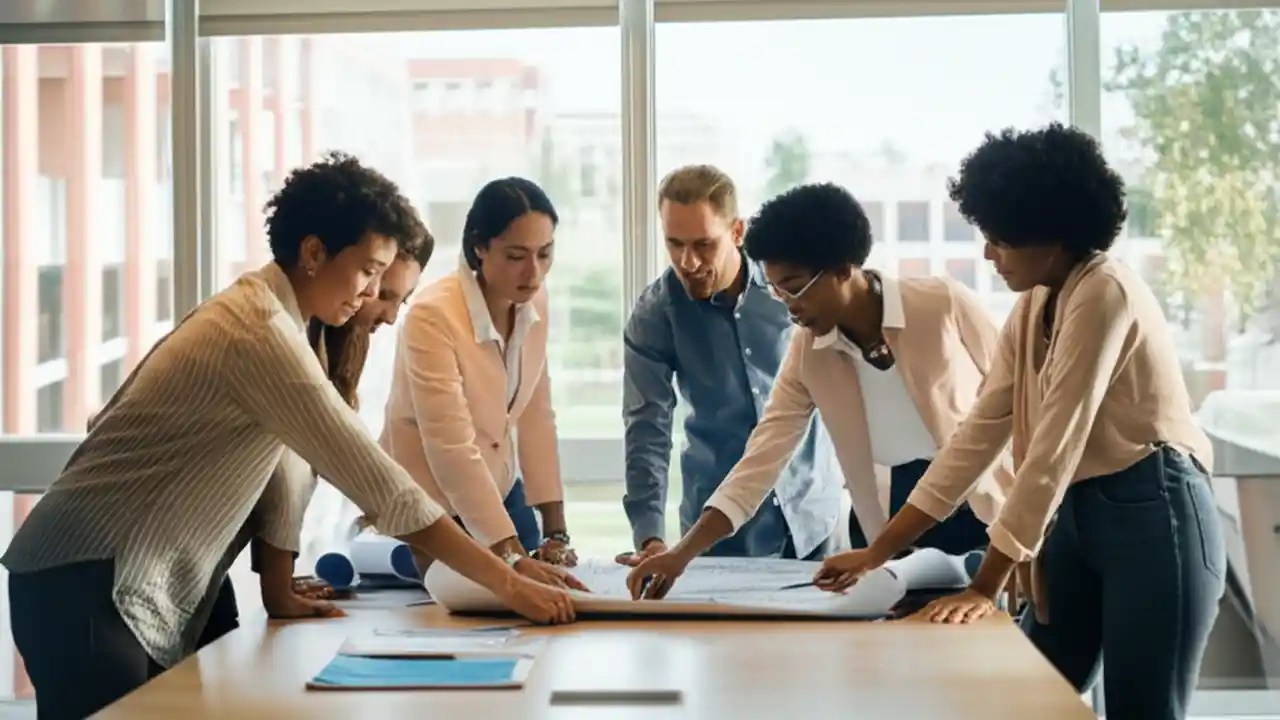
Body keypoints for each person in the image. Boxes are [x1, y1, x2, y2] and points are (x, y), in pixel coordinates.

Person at [1, 152, 576, 720]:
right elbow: (375, 481)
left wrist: (277, 587)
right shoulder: (259, 330)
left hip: (132, 578)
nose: (373, 296)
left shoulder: (290, 323)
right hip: (86, 575)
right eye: (371, 272)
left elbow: (283, 469)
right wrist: (510, 581)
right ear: (313, 253)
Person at [814, 124, 1225, 720]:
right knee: (1030, 697)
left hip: (1154, 512)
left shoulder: (1104, 292)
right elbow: (977, 435)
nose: (988, 253)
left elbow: (1054, 446)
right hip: (1075, 518)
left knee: (1143, 709)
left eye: (999, 238)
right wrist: (878, 550)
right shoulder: (1034, 303)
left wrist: (986, 584)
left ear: (1051, 235)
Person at [625, 182, 1009, 600]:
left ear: (844, 268)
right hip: (886, 528)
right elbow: (761, 459)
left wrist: (1029, 530)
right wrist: (680, 556)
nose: (787, 304)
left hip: (981, 512)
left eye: (794, 287)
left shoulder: (942, 304)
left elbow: (1020, 401)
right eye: (775, 289)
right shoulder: (809, 353)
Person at [621, 165, 844, 565]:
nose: (687, 262)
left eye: (704, 244)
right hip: (718, 535)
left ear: (737, 232)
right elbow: (646, 428)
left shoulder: (791, 289)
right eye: (674, 243)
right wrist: (650, 537)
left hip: (815, 520)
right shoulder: (657, 313)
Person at [380, 177, 579, 583]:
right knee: (480, 605)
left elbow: (536, 412)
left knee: (553, 595)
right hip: (432, 502)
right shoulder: (432, 315)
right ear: (479, 248)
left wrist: (555, 531)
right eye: (516, 256)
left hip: (501, 489)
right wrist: (510, 557)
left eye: (545, 253)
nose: (533, 272)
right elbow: (449, 445)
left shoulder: (533, 300)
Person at [247, 237, 439, 621]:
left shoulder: (339, 341)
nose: (389, 315)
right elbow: (293, 467)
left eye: (401, 300)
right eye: (382, 292)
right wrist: (277, 587)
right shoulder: (277, 332)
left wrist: (280, 581)